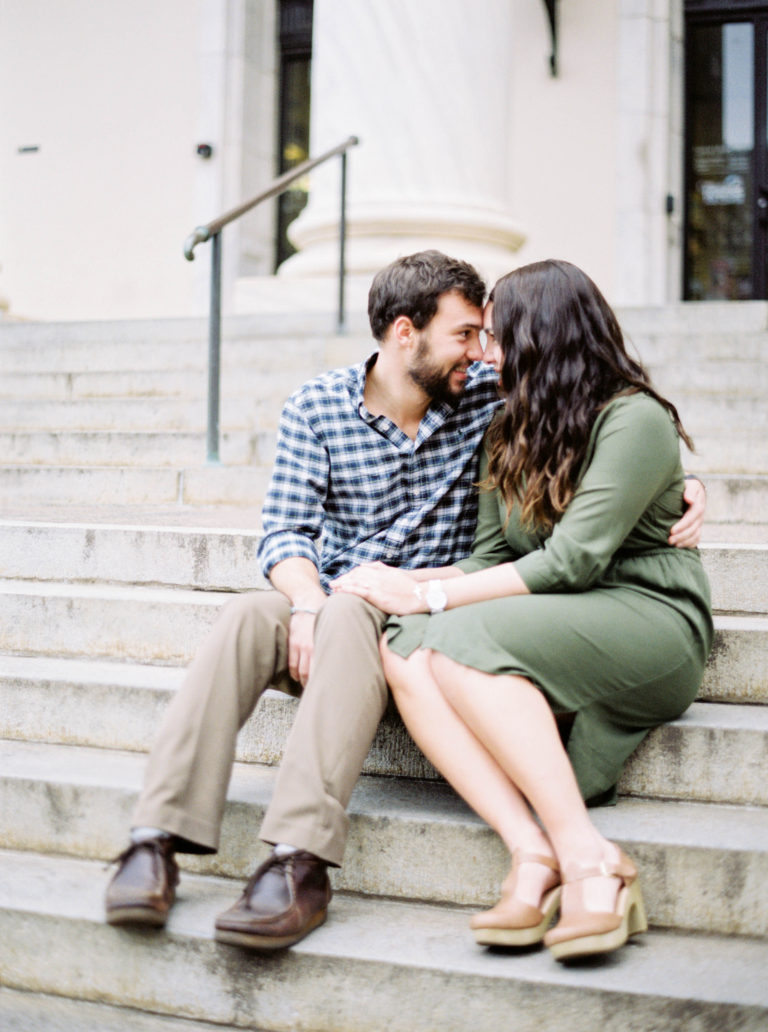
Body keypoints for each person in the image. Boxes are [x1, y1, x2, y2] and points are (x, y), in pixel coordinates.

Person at [104, 251, 705, 951]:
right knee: (247, 616)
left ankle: (298, 858)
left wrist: (690, 487)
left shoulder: (486, 400)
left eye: (488, 336)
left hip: (414, 602)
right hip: (337, 593)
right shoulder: (319, 407)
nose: (480, 354)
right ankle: (154, 837)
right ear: (402, 333)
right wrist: (305, 603)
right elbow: (284, 533)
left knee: (358, 609)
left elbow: (602, 430)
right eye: (464, 336)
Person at [331, 259, 713, 961]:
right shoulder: (507, 429)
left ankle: (591, 859)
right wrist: (393, 582)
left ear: (545, 336)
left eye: (497, 337)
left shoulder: (634, 419)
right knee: (404, 644)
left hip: (649, 618)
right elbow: (484, 561)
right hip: (559, 618)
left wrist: (430, 595)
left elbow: (573, 562)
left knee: (450, 638)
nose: (482, 353)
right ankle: (532, 852)